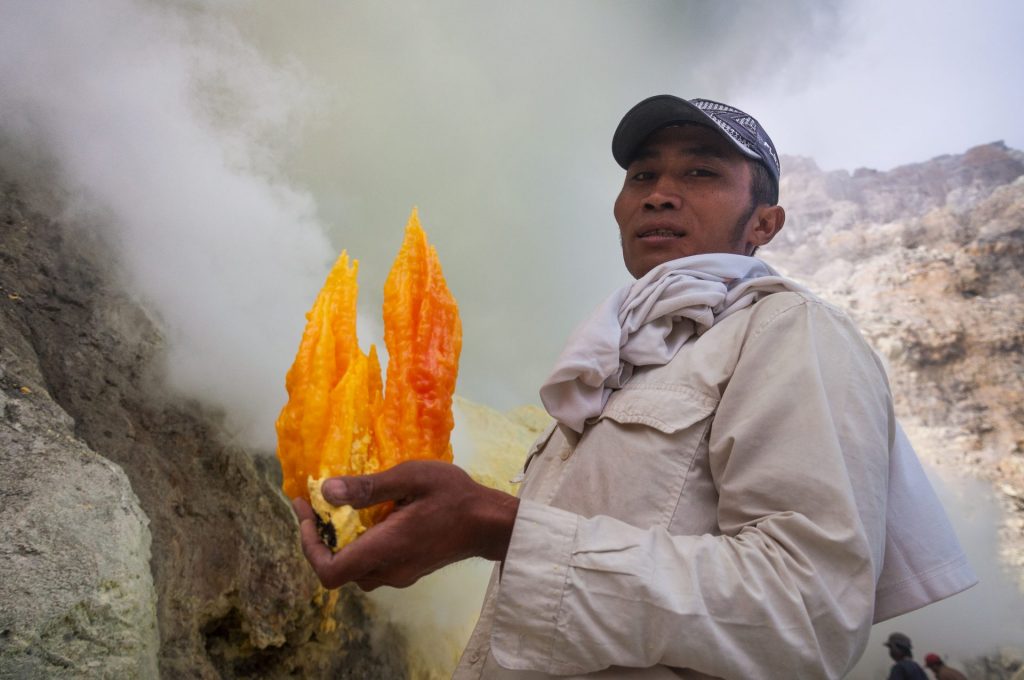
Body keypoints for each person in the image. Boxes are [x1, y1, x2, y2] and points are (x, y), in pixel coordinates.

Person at [293, 95, 977, 678]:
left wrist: (496, 526)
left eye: (701, 172)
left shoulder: (790, 333)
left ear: (764, 223)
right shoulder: (614, 360)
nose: (659, 191)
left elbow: (805, 612)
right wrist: (443, 531)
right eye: (643, 173)